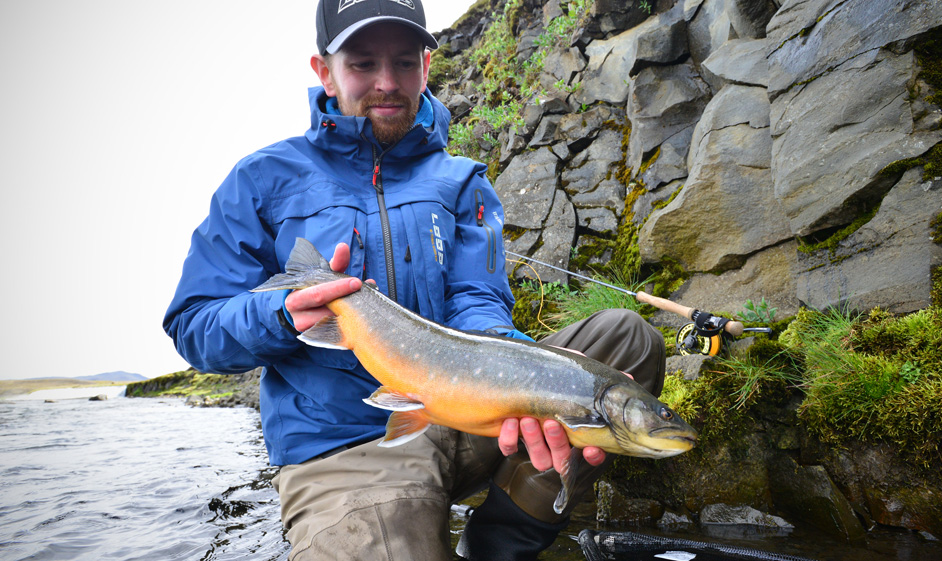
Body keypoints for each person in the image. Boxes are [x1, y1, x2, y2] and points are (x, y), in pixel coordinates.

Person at [163, 0, 666, 559]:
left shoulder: (462, 180)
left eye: (404, 63)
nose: (387, 83)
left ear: (427, 65)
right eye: (361, 64)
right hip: (347, 445)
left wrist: (537, 371)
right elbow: (193, 324)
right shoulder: (260, 180)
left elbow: (478, 304)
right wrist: (282, 315)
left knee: (628, 341)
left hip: (470, 410)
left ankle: (500, 543)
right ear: (322, 70)